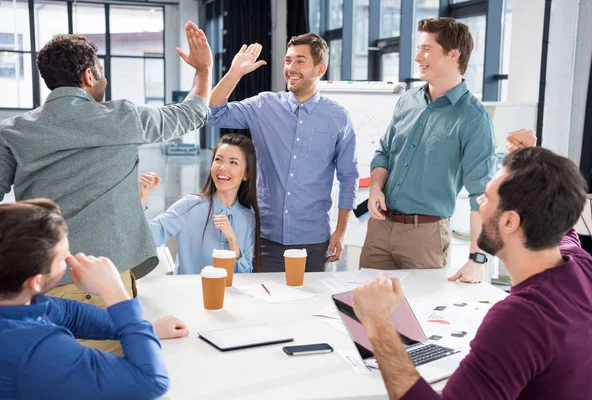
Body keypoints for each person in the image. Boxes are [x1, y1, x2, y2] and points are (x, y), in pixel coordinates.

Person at [0, 22, 212, 352]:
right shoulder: (122, 117)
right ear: (88, 76)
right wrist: (203, 69)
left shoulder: (13, 131)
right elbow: (191, 114)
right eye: (101, 71)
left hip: (39, 283)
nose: (104, 79)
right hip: (103, 284)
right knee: (107, 378)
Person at [352, 146, 592, 399]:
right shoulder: (583, 266)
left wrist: (379, 325)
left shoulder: (521, 319)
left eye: (486, 198)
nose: (479, 205)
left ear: (509, 222)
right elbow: (563, 224)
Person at [0, 199, 189, 399]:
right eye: (64, 258)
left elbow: (70, 314)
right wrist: (114, 291)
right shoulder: (37, 352)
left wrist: (145, 328)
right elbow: (151, 381)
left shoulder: (17, 301)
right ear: (36, 282)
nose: (72, 260)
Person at [207, 33, 359, 272]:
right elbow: (214, 113)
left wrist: (340, 232)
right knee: (263, 304)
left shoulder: (339, 118)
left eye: (300, 61)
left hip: (313, 241)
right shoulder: (263, 106)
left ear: (320, 68)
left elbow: (349, 177)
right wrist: (235, 72)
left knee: (310, 307)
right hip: (265, 236)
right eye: (288, 61)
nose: (291, 68)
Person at [361, 17, 495, 282]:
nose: (417, 57)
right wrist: (376, 187)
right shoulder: (408, 99)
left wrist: (476, 258)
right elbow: (384, 152)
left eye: (426, 49)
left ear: (453, 53)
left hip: (425, 235)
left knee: (421, 316)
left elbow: (481, 196)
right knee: (364, 309)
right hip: (379, 229)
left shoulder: (473, 118)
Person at [139, 134, 260, 274]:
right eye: (218, 159)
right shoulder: (189, 205)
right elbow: (147, 240)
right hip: (189, 294)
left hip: (229, 295)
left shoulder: (248, 218)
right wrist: (143, 198)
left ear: (246, 174)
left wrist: (232, 240)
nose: (223, 167)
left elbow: (245, 275)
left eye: (233, 162)